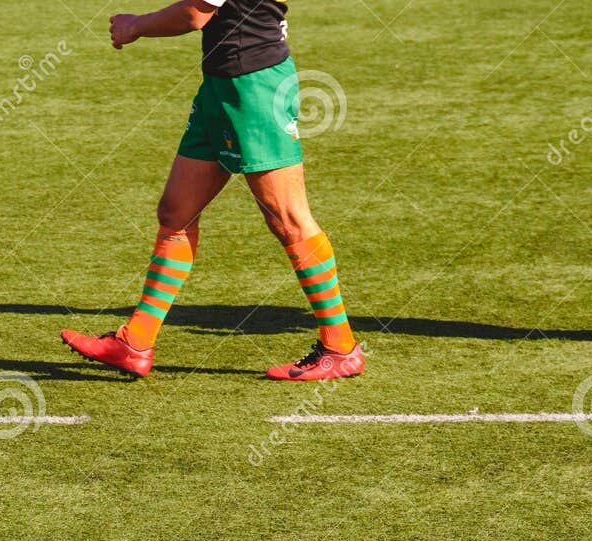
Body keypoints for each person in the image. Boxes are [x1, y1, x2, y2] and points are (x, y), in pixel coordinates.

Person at [61, 0, 365, 382]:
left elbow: (195, 14)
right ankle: (135, 342)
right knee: (176, 213)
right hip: (221, 86)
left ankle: (340, 347)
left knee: (288, 219)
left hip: (254, 86)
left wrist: (136, 25)